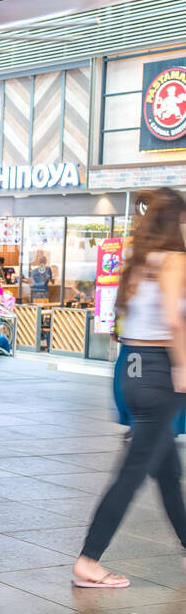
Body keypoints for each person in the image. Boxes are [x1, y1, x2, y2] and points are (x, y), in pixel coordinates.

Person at [74, 188, 186, 589]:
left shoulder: (139, 262)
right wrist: (183, 366)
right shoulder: (174, 260)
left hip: (131, 372)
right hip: (159, 372)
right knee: (133, 473)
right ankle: (89, 559)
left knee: (167, 470)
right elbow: (174, 319)